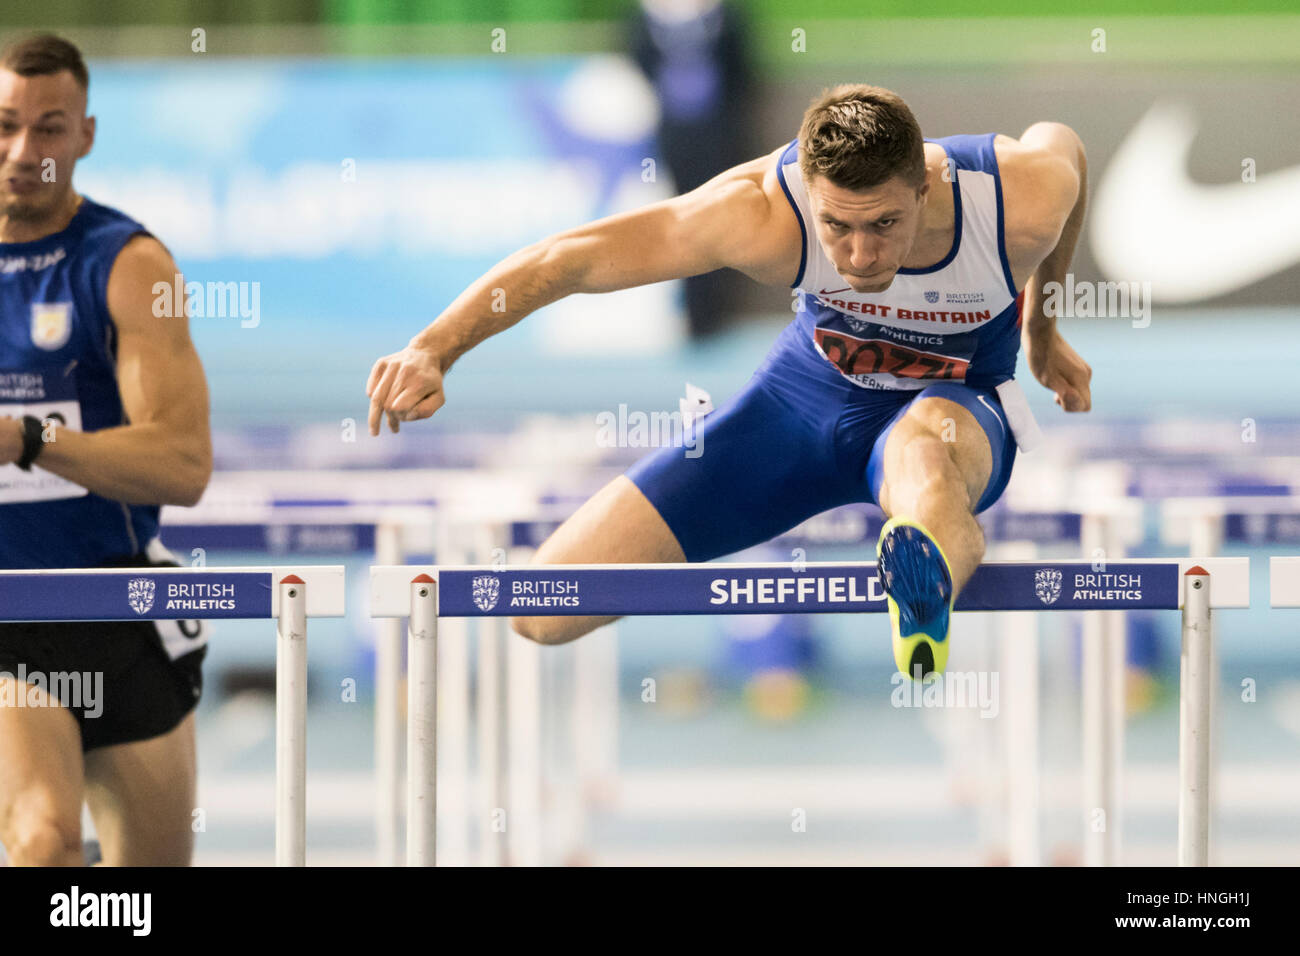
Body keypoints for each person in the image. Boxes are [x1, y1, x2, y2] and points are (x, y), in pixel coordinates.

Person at [367, 84, 1091, 681]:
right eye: (838, 225)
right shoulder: (756, 212)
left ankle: (924, 597)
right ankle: (921, 563)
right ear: (809, 195)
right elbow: (570, 258)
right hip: (800, 407)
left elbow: (1067, 146)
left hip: (955, 405)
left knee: (920, 453)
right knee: (544, 606)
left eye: (885, 223)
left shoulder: (1016, 197)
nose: (861, 253)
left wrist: (1043, 329)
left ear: (927, 185)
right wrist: (435, 347)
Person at [0, 34, 212, 865]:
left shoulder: (129, 264)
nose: (23, 153)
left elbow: (184, 466)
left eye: (48, 130)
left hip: (119, 608)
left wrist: (29, 440)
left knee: (139, 906)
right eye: (4, 124)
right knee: (40, 842)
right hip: (8, 611)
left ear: (85, 136)